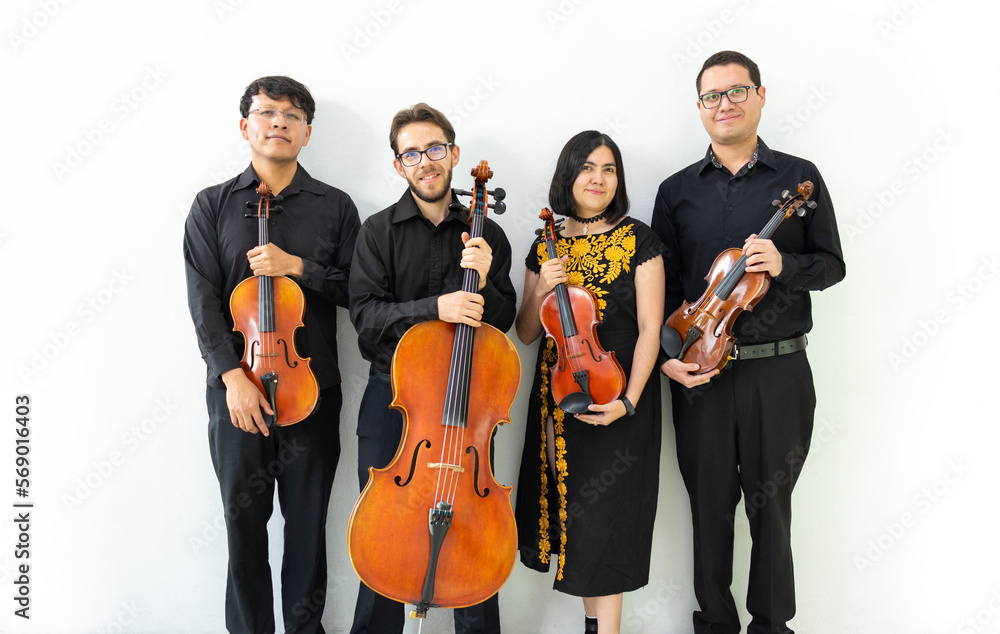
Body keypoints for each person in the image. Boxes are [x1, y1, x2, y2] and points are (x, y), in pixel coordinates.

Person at [652, 51, 846, 634]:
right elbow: (661, 293)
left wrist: (785, 263)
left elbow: (832, 265)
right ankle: (714, 624)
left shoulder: (797, 177)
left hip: (778, 375)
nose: (725, 104)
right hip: (700, 376)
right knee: (709, 511)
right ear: (699, 109)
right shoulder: (675, 190)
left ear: (761, 96)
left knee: (772, 513)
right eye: (712, 96)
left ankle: (771, 627)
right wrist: (667, 359)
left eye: (737, 91)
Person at [183, 75, 360, 634]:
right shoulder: (211, 205)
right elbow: (204, 300)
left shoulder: (336, 206)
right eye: (267, 112)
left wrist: (298, 268)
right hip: (238, 393)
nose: (279, 122)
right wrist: (231, 376)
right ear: (245, 126)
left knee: (307, 531)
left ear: (308, 133)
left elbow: (359, 290)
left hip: (312, 391)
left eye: (292, 115)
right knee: (243, 530)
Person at [347, 102, 517, 634]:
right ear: (399, 164)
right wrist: (435, 308)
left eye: (436, 149)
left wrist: (485, 279)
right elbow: (366, 318)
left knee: (472, 525)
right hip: (394, 404)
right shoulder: (377, 232)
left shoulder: (488, 235)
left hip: (469, 410)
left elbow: (505, 321)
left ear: (454, 154)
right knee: (385, 531)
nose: (426, 161)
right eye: (412, 153)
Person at [514, 131, 665, 634]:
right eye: (587, 168)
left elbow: (650, 330)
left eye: (608, 169)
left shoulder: (639, 239)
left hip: (619, 395)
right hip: (560, 396)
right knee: (577, 525)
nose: (597, 178)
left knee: (606, 526)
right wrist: (544, 284)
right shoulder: (547, 243)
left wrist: (629, 401)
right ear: (568, 175)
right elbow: (528, 330)